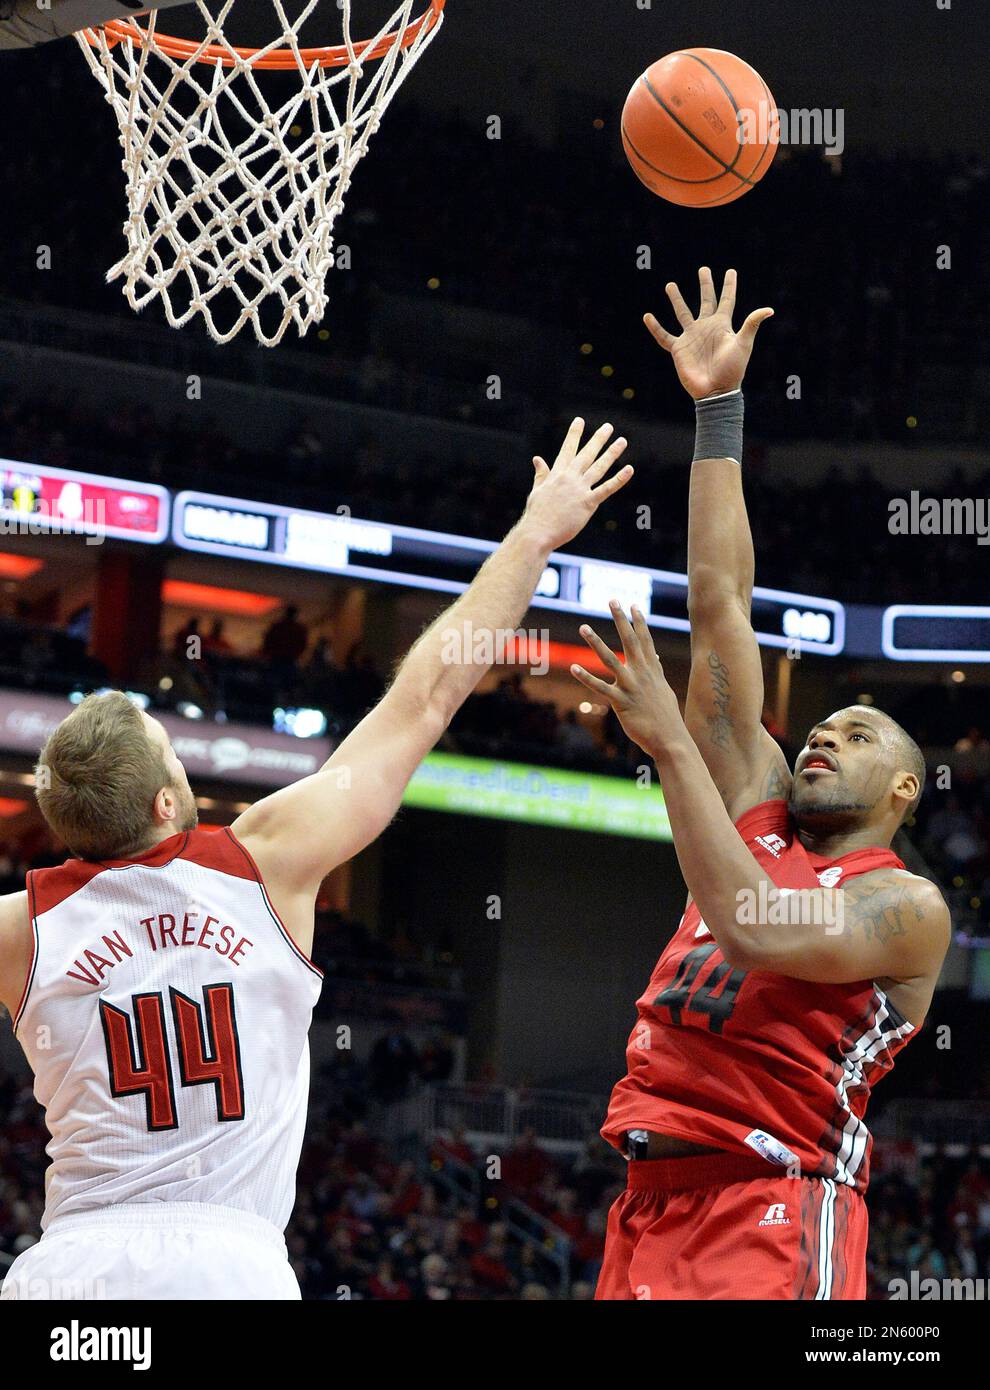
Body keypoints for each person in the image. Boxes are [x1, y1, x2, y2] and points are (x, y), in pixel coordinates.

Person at [0, 418, 632, 1301]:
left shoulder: (22, 927)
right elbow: (425, 697)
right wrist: (533, 535)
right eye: (176, 755)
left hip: (71, 1272)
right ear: (163, 805)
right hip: (227, 1267)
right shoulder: (266, 860)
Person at [571, 269, 950, 1301]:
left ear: (906, 789)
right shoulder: (759, 803)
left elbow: (750, 925)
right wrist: (718, 411)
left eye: (858, 735)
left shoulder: (903, 907)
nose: (825, 738)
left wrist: (675, 751)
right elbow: (720, 595)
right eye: (821, 725)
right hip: (646, 1200)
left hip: (776, 1204)